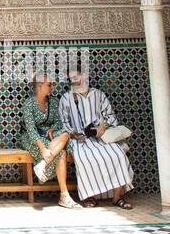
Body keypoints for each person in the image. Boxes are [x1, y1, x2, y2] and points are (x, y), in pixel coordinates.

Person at [57, 69, 135, 209]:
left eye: (77, 77)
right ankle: (90, 196)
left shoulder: (98, 95)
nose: (74, 81)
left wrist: (102, 127)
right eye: (71, 79)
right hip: (79, 140)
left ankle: (117, 198)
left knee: (117, 154)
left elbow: (111, 116)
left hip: (101, 137)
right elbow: (63, 122)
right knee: (85, 159)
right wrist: (73, 133)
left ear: (84, 75)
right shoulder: (66, 98)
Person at [18, 72, 81, 209]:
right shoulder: (28, 104)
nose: (51, 87)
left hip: (50, 136)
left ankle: (41, 164)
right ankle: (64, 196)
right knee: (62, 154)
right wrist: (43, 149)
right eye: (49, 84)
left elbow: (59, 122)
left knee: (65, 134)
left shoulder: (54, 101)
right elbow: (31, 130)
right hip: (32, 138)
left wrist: (52, 129)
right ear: (40, 86)